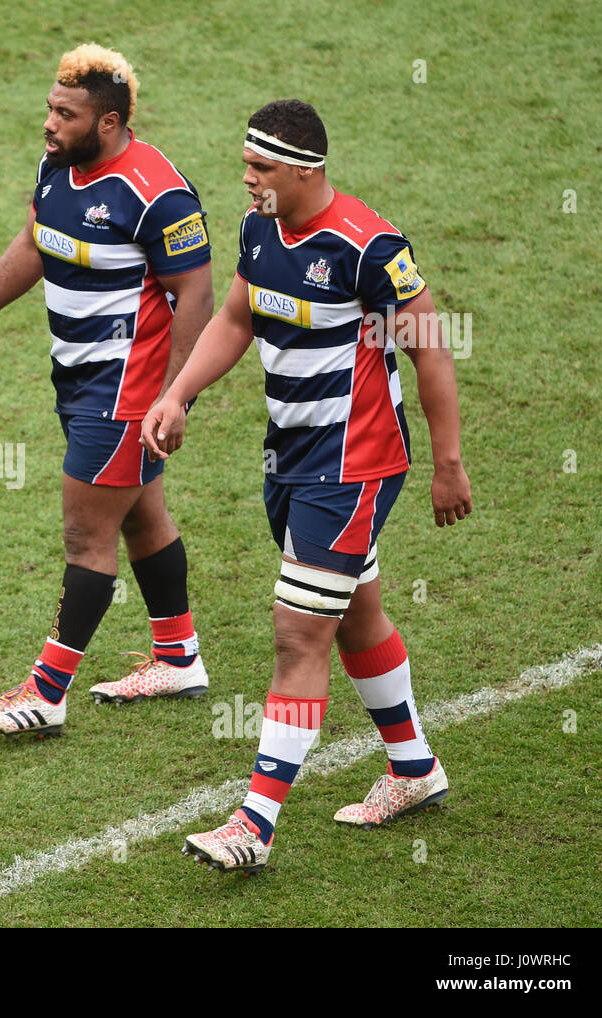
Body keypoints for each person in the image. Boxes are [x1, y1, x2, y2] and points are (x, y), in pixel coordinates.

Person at [142, 100, 472, 873]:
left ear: (304, 170)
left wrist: (448, 462)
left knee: (298, 634)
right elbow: (234, 317)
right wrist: (178, 392)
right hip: (288, 459)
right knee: (356, 615)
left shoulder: (369, 246)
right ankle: (416, 771)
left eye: (260, 169)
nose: (247, 179)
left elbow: (431, 350)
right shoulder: (261, 229)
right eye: (246, 166)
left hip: (352, 466)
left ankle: (253, 824)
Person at [0, 44, 215, 737]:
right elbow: (36, 239)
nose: (51, 124)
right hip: (78, 379)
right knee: (141, 511)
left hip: (126, 393)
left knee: (86, 535)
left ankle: (45, 691)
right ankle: (178, 656)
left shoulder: (157, 192)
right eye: (50, 109)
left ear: (110, 122)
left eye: (67, 114)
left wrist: (174, 395)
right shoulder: (59, 166)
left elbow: (198, 293)